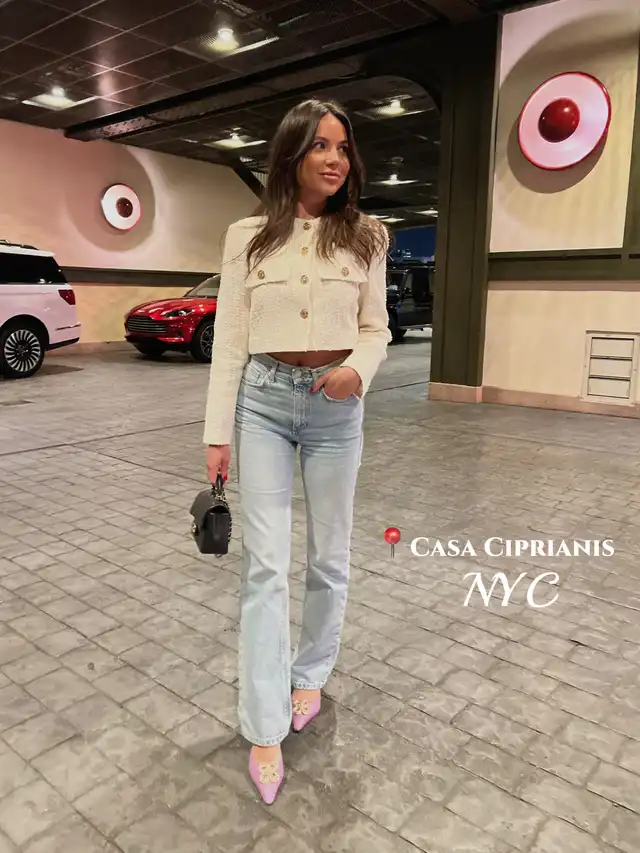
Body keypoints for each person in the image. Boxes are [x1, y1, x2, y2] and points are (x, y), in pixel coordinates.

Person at [202, 98, 391, 804]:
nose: (335, 159)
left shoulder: (367, 235)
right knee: (265, 566)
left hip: (337, 409)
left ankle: (309, 675)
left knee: (329, 557)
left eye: (343, 147)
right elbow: (229, 340)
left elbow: (376, 327)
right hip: (263, 403)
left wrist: (358, 370)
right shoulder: (247, 236)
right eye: (320, 145)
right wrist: (216, 433)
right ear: (291, 154)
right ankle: (262, 724)